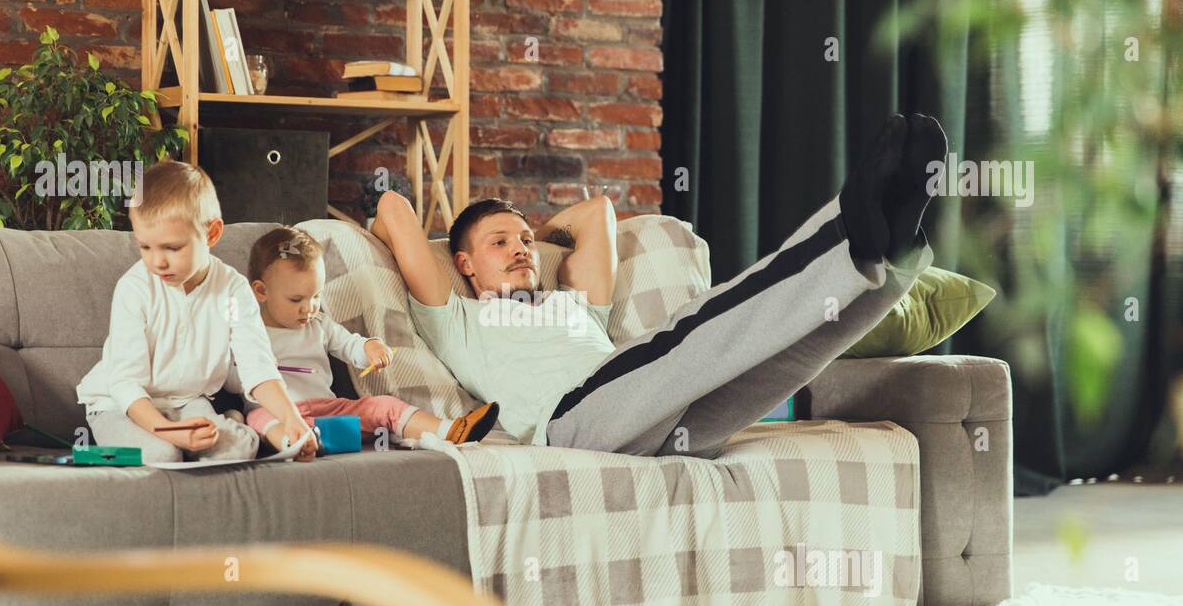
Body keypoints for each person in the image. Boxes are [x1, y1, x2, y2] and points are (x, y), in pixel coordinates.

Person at [372, 113, 946, 457]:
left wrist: (539, 241)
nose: (520, 248)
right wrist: (468, 246)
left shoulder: (571, 303)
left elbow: (596, 211)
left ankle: (890, 259)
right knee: (695, 333)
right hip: (572, 421)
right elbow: (393, 210)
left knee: (778, 360)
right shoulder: (458, 320)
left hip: (654, 425)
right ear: (463, 265)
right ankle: (848, 227)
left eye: (522, 240)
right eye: (500, 242)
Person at [76, 161, 319, 463]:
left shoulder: (233, 291)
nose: (157, 262)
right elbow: (125, 383)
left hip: (189, 403)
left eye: (172, 248)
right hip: (121, 404)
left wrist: (292, 420)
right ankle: (101, 449)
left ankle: (229, 421)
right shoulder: (134, 288)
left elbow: (257, 366)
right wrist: (168, 432)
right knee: (162, 454)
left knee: (238, 450)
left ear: (212, 233)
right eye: (145, 247)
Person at [241, 226, 499, 445]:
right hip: (277, 412)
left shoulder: (318, 324)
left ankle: (449, 431)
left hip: (328, 409)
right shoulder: (248, 332)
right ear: (261, 291)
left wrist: (369, 348)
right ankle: (296, 443)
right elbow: (233, 377)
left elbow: (348, 343)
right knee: (257, 420)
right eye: (296, 299)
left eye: (316, 296)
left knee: (384, 406)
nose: (309, 308)